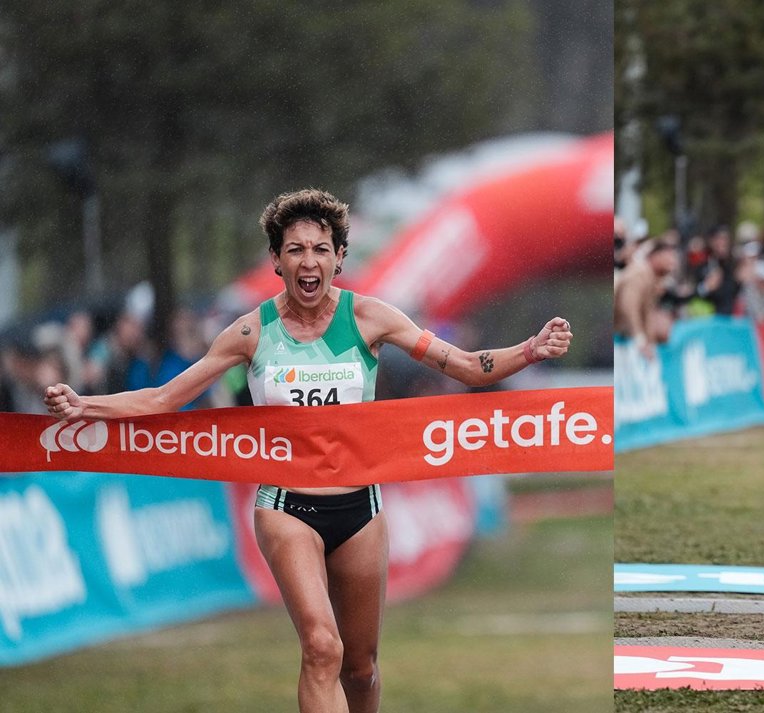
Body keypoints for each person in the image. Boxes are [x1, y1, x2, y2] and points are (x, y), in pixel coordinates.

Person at [44, 188, 573, 713]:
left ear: (339, 258)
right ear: (276, 260)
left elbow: (463, 364)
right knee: (322, 647)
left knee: (360, 668)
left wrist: (529, 350)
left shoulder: (372, 318)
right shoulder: (250, 331)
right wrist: (84, 403)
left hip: (360, 507)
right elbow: (163, 398)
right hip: (284, 505)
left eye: (320, 248)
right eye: (295, 249)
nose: (309, 260)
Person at [614, 238, 680, 359]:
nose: (672, 262)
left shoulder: (651, 278)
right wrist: (640, 339)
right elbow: (628, 306)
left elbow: (647, 313)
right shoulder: (639, 274)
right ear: (655, 256)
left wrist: (650, 342)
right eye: (669, 256)